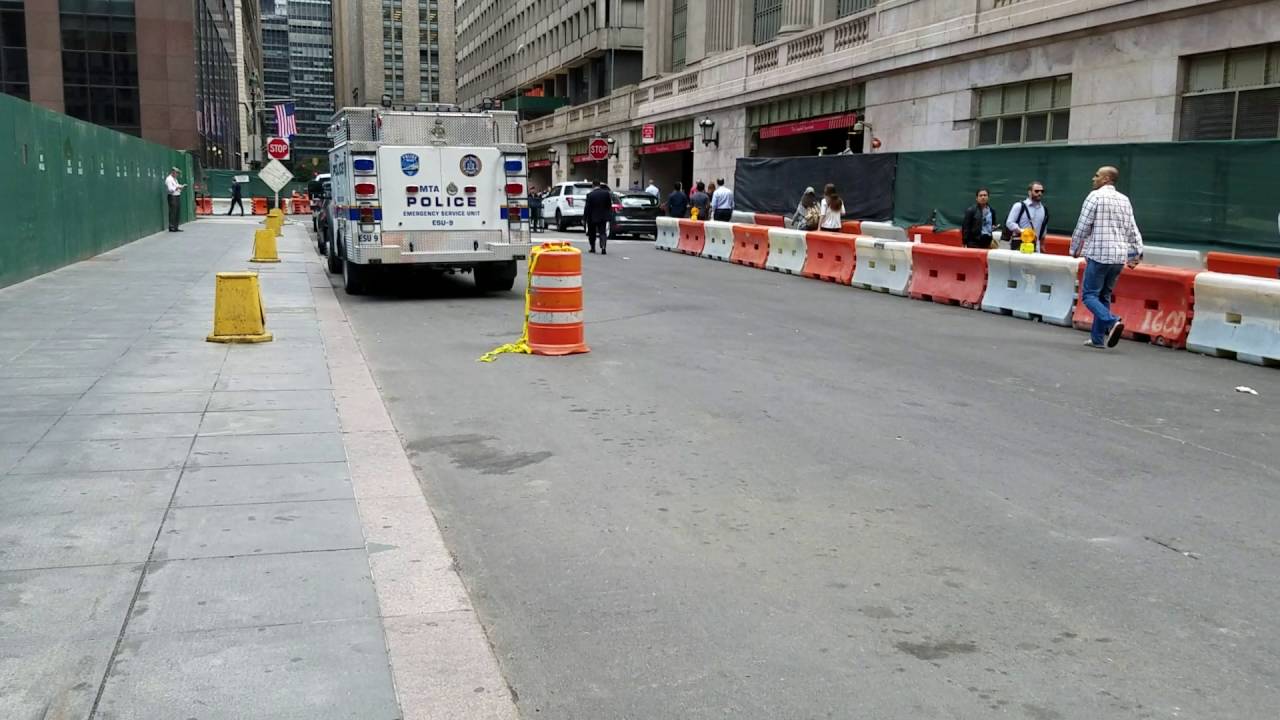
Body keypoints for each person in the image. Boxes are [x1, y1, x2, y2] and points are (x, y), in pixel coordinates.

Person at [1071, 166, 1143, 349]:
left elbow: (1083, 225)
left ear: (1105, 179)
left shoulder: (1094, 197)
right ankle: (1097, 339)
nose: (1092, 178)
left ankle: (1112, 321)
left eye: (1096, 175)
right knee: (1104, 296)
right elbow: (1132, 228)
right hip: (1119, 257)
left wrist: (1074, 248)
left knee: (1089, 295)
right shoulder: (1125, 200)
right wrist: (1135, 253)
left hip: (1099, 253)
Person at [1006, 181, 1048, 251]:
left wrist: (1042, 244)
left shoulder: (1044, 209)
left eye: (1042, 191)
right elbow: (1009, 223)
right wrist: (1023, 231)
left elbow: (1043, 229)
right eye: (1036, 191)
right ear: (1029, 192)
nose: (1040, 193)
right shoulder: (1019, 206)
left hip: (1036, 246)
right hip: (1020, 244)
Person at [584, 180, 613, 254]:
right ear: (599, 185)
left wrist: (584, 218)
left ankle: (592, 248)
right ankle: (603, 247)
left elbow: (587, 208)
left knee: (592, 233)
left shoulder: (590, 195)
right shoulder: (606, 194)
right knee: (602, 232)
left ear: (593, 185)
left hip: (592, 217)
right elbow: (609, 206)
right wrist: (609, 216)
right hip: (603, 217)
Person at [165, 167, 185, 232]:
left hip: (177, 195)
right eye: (177, 173)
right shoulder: (169, 179)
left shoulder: (175, 179)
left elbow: (176, 185)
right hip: (172, 196)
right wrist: (177, 187)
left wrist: (181, 186)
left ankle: (176, 226)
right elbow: (170, 189)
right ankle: (171, 226)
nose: (178, 175)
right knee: (173, 211)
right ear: (173, 172)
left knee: (177, 212)